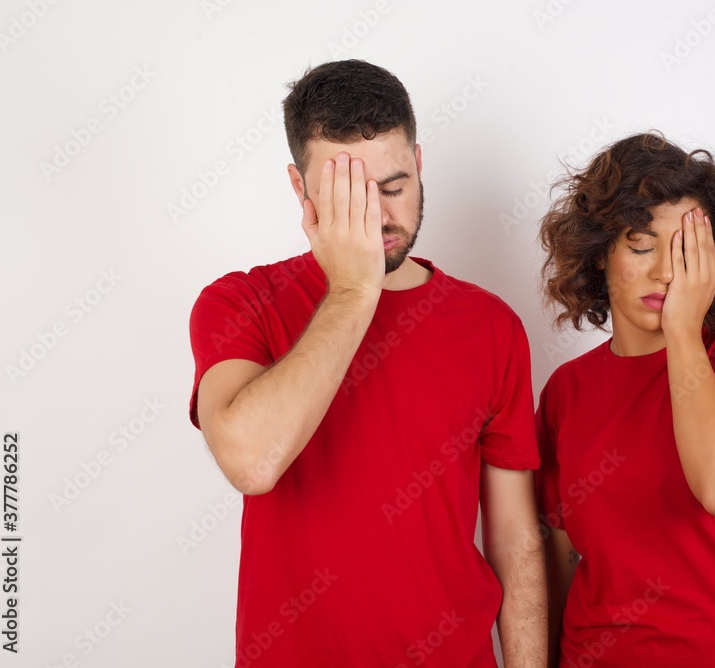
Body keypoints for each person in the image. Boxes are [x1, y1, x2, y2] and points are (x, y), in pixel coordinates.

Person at [187, 59, 545, 667]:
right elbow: (252, 462)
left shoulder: (492, 327)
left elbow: (515, 540)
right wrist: (354, 291)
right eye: (348, 198)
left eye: (394, 187)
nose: (377, 217)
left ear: (420, 165)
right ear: (300, 189)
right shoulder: (240, 303)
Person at [535, 132, 715, 666]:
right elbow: (560, 559)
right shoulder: (566, 392)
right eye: (642, 246)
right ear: (599, 255)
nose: (666, 272)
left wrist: (684, 330)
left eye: (686, 253)